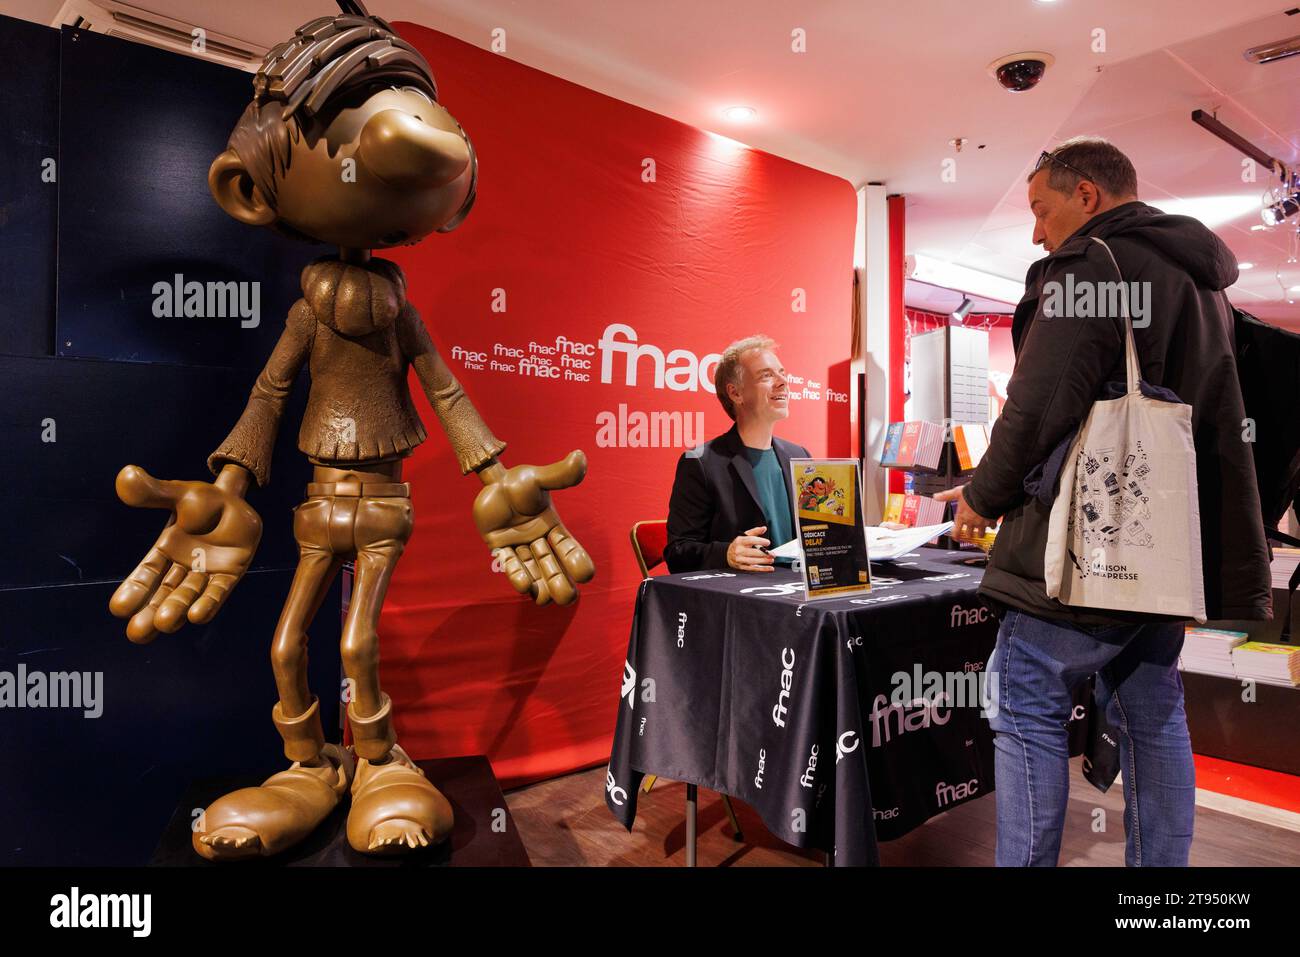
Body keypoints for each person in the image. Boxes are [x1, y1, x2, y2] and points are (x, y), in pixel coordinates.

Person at [935, 136, 1272, 867]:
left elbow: (1037, 407)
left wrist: (982, 498)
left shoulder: (1093, 263)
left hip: (1083, 554)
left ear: (1085, 195)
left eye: (1040, 207)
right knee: (1154, 720)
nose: (1034, 230)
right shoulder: (1201, 280)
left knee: (1024, 710)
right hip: (1161, 554)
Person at [664, 335, 810, 573]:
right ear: (736, 393)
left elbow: (826, 533)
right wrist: (727, 554)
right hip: (748, 598)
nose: (783, 382)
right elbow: (678, 553)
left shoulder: (800, 456)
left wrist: (880, 535)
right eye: (766, 375)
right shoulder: (700, 462)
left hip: (805, 592)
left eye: (782, 373)